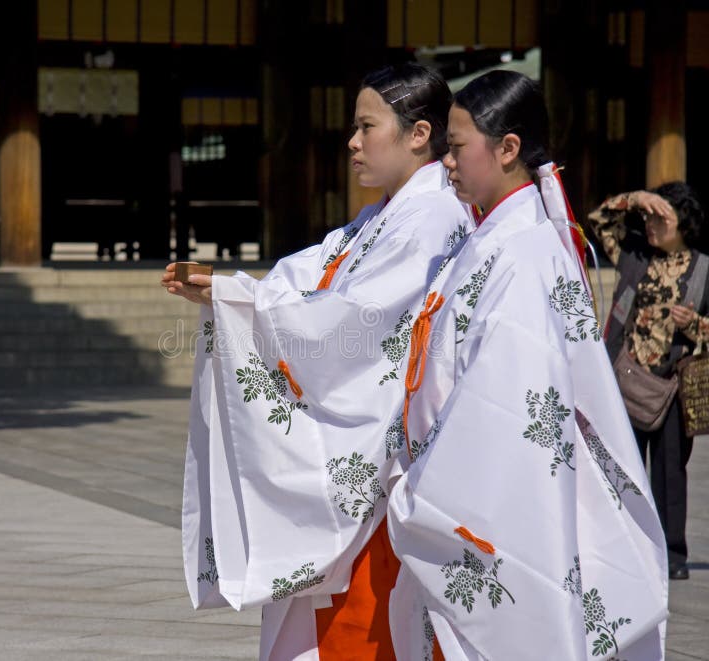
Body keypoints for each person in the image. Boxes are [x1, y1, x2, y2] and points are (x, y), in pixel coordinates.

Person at [162, 61, 474, 659]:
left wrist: (240, 298)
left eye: (366, 126)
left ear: (418, 134)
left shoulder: (434, 216)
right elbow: (309, 275)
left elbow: (350, 320)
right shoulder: (382, 217)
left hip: (387, 462)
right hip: (372, 451)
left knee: (365, 629)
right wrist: (232, 289)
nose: (353, 142)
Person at [386, 70, 669, 659]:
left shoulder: (524, 252)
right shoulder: (495, 240)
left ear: (507, 148)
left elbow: (508, 403)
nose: (447, 164)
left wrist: (426, 492)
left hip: (492, 493)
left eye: (458, 147)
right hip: (457, 474)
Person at [587, 181, 708, 581]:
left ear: (684, 224)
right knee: (624, 466)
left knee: (671, 471)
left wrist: (696, 325)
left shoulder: (702, 269)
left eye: (663, 218)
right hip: (626, 379)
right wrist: (636, 199)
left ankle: (672, 553)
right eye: (649, 216)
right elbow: (598, 221)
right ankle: (624, 543)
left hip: (672, 385)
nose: (652, 224)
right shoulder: (635, 254)